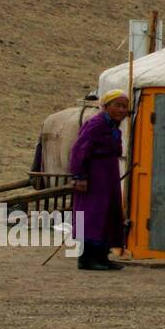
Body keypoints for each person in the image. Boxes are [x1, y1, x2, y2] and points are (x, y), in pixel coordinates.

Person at [68, 89, 129, 270]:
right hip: (94, 176)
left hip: (108, 176)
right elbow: (79, 149)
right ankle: (86, 259)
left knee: (108, 213)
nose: (122, 110)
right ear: (106, 106)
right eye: (117, 106)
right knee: (92, 215)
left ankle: (102, 257)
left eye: (124, 106)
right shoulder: (96, 124)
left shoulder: (112, 125)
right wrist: (80, 176)